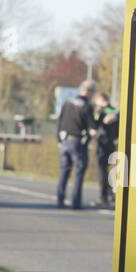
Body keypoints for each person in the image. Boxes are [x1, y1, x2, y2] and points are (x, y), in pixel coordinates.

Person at [55, 81, 95, 209]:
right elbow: (92, 129)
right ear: (88, 92)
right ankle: (75, 202)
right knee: (79, 172)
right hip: (77, 142)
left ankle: (60, 199)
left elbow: (60, 121)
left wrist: (59, 140)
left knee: (64, 171)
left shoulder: (67, 102)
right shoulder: (86, 106)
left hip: (64, 140)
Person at [92, 92, 119, 208]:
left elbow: (98, 122)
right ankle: (110, 196)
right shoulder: (113, 111)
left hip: (104, 145)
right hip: (111, 144)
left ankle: (105, 198)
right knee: (107, 172)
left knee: (102, 172)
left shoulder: (103, 112)